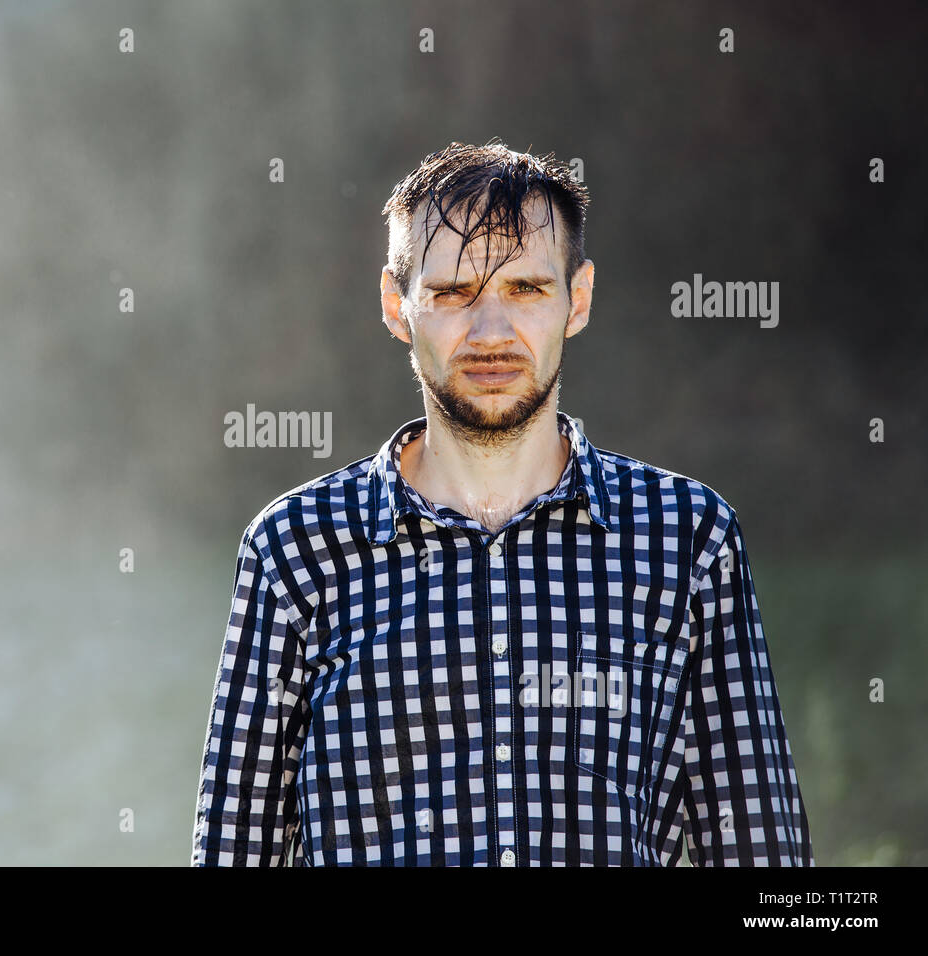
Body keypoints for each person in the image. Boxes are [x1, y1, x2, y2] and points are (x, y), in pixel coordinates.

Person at [191, 138, 813, 866]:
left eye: (525, 289)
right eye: (453, 293)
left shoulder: (688, 541)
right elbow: (233, 852)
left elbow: (763, 857)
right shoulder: (295, 550)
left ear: (576, 300)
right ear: (398, 307)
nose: (491, 332)